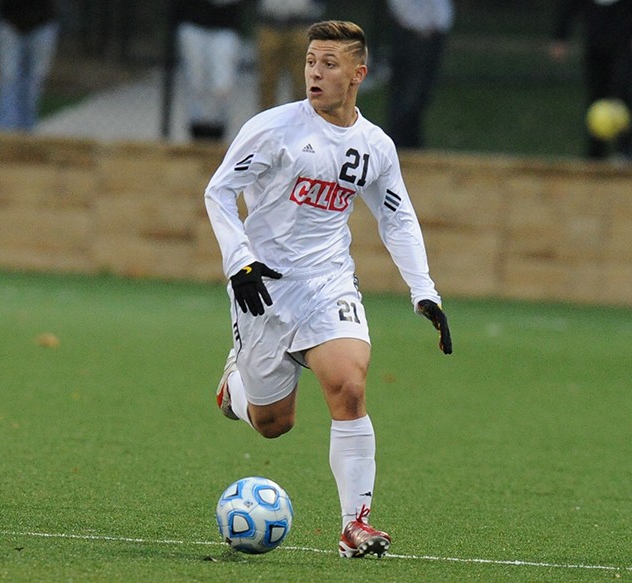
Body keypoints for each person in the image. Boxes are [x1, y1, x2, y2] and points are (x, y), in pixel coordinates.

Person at [204, 20, 452, 559]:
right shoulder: (272, 129)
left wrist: (423, 290)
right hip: (263, 288)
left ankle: (354, 525)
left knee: (349, 387)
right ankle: (235, 388)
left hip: (328, 283)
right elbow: (219, 192)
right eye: (311, 62)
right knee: (275, 424)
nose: (315, 73)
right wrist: (240, 263)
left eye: (329, 64)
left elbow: (397, 218)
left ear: (358, 74)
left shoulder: (374, 146)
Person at [550, 0, 632, 160]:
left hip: (624, 39)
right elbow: (568, 5)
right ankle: (596, 153)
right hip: (594, 39)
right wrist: (560, 36)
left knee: (623, 91)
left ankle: (625, 151)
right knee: (595, 94)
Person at [174, 0, 249, 141]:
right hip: (194, 22)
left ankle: (217, 129)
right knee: (196, 82)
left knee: (222, 85)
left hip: (226, 25)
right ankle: (197, 130)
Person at [386, 0, 454, 149]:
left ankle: (411, 143)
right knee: (408, 95)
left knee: (421, 95)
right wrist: (420, 26)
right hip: (415, 34)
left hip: (430, 34)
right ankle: (400, 144)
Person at [0, 0, 59, 132]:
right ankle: (3, 133)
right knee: (8, 79)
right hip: (10, 21)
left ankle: (27, 132)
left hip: (43, 21)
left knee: (34, 82)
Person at [256, 0, 325, 109]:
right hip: (270, 21)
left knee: (303, 79)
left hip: (301, 21)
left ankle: (303, 119)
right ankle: (267, 120)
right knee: (267, 80)